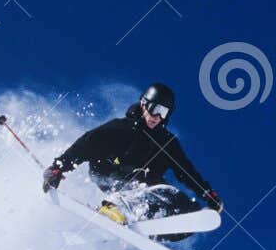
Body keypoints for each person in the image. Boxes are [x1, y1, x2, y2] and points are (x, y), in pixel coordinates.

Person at [42, 82, 223, 233]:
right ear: (144, 104)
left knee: (177, 200)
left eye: (164, 112)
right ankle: (114, 207)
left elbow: (185, 170)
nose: (157, 116)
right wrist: (58, 168)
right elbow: (86, 144)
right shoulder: (122, 128)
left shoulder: (167, 143)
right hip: (108, 170)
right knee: (142, 180)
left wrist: (207, 193)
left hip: (146, 184)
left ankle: (153, 222)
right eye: (155, 109)